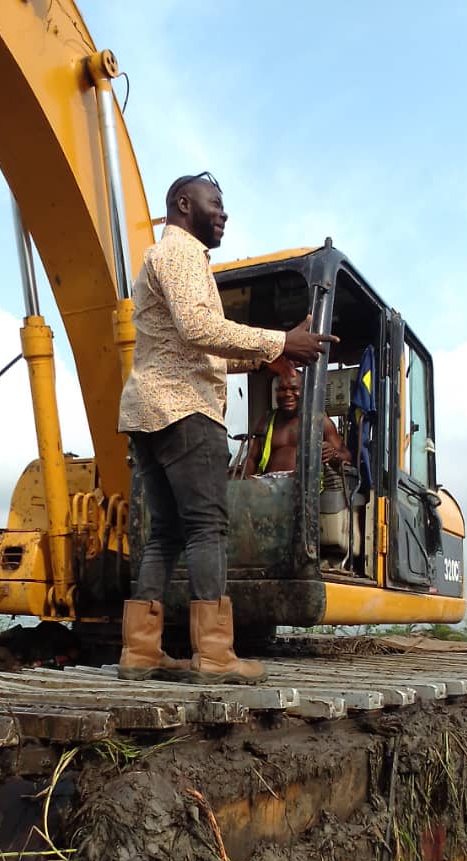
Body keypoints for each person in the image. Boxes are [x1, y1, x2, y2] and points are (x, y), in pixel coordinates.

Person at [117, 172, 337, 683]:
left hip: (150, 414)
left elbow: (191, 348)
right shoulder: (182, 255)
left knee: (165, 534)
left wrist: (263, 362)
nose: (223, 213)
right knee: (206, 528)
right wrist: (281, 343)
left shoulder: (163, 258)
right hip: (186, 414)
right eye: (214, 203)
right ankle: (215, 654)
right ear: (182, 203)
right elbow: (200, 329)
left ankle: (140, 650)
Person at [245, 368, 351, 476]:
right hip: (269, 487)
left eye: (294, 388)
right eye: (282, 389)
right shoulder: (266, 422)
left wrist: (333, 454)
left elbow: (347, 457)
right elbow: (251, 459)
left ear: (305, 391)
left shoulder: (321, 422)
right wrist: (241, 473)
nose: (287, 394)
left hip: (307, 489)